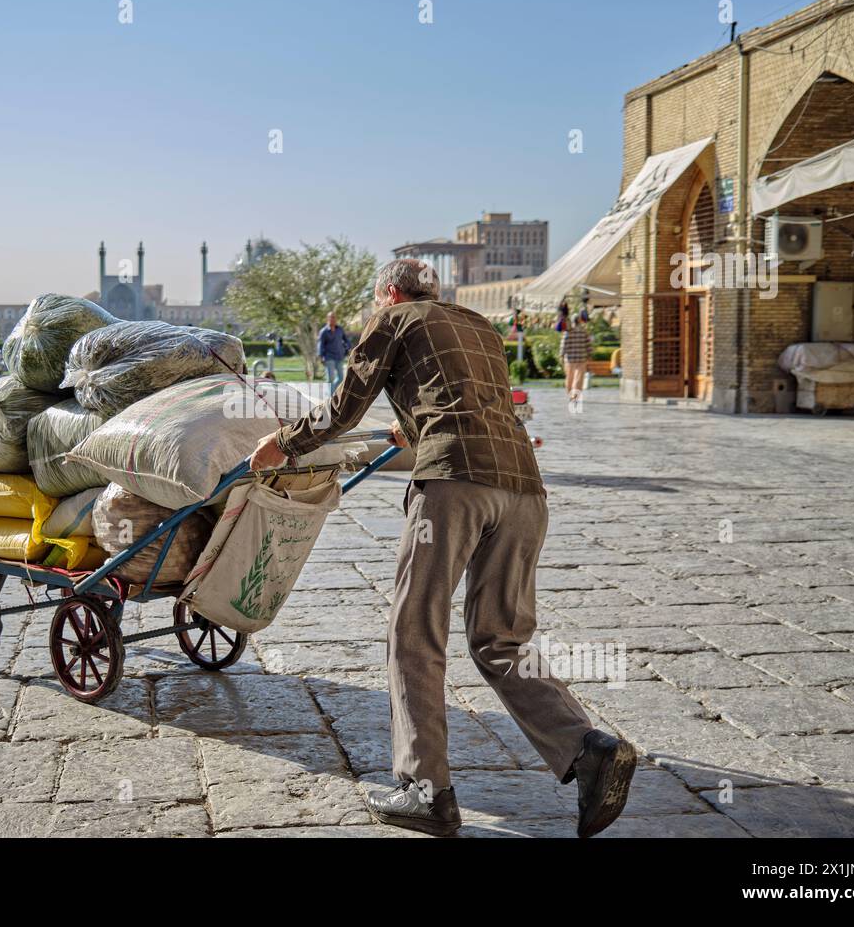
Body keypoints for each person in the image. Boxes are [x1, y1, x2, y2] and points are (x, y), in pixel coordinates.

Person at [250, 259, 635, 838]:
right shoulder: (479, 326)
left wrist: (284, 444)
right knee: (502, 638)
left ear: (388, 292)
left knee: (415, 629)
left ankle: (425, 791)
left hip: (455, 486)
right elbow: (467, 398)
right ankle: (589, 748)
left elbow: (345, 403)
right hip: (525, 490)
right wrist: (415, 423)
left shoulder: (395, 318)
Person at [560, 310, 593, 402]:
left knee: (569, 377)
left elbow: (563, 345)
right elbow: (588, 345)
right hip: (581, 358)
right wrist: (589, 355)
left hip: (569, 359)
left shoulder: (567, 332)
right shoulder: (584, 332)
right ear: (579, 321)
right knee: (579, 377)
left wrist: (561, 356)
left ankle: (570, 394)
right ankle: (575, 396)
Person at [317, 312, 351, 393]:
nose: (333, 319)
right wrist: (321, 356)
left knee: (341, 378)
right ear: (327, 319)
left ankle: (331, 391)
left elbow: (346, 340)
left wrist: (349, 348)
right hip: (329, 357)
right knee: (330, 378)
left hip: (339, 356)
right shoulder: (324, 331)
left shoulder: (340, 329)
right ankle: (331, 398)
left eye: (334, 317)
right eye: (331, 317)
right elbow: (320, 344)